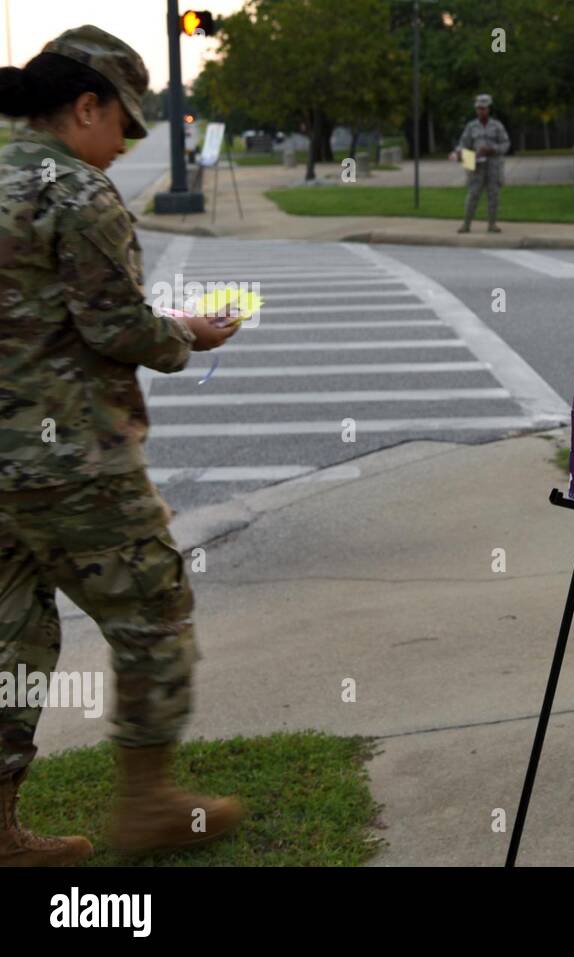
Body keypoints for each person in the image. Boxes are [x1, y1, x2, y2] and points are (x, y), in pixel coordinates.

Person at [0, 26, 244, 865]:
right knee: (154, 611)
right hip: (69, 460)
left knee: (13, 634)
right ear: (86, 104)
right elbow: (112, 325)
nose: (124, 145)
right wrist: (188, 336)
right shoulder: (75, 190)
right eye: (124, 125)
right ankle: (149, 804)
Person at [449, 93, 510, 233]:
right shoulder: (471, 126)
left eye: (484, 108)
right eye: (478, 108)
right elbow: (463, 144)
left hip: (494, 165)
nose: (481, 111)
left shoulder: (497, 125)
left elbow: (506, 144)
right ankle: (466, 224)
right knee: (472, 195)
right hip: (476, 166)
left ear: (489, 109)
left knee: (493, 195)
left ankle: (492, 224)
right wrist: (459, 153)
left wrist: (492, 149)